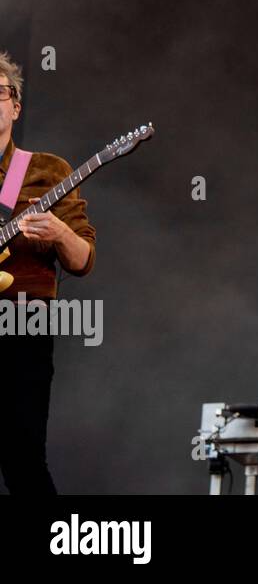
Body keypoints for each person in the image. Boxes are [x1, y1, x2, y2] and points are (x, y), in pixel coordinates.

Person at [0, 51, 97, 495]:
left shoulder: (46, 170)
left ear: (15, 106)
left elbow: (82, 260)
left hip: (23, 323)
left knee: (22, 459)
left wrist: (59, 232)